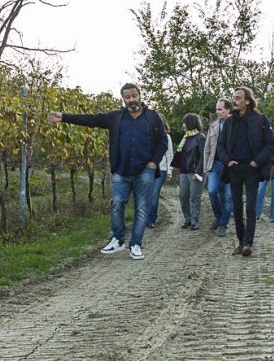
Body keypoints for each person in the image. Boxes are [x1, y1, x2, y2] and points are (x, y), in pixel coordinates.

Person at [47, 83, 167, 260]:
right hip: (121, 170)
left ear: (140, 95)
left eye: (134, 96)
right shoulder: (116, 117)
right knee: (117, 203)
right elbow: (91, 119)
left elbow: (163, 141)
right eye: (127, 97)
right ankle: (118, 240)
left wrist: (154, 162)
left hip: (145, 171)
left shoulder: (153, 117)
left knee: (142, 209)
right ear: (123, 99)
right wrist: (64, 117)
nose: (131, 100)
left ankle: (135, 244)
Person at [218, 86, 274, 257]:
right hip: (234, 169)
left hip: (252, 168)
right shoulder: (229, 122)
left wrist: (256, 162)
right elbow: (221, 145)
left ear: (247, 101)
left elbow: (270, 144)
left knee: (250, 206)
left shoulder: (260, 120)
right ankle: (241, 242)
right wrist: (228, 161)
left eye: (238, 97)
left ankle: (248, 244)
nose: (234, 100)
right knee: (237, 207)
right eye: (233, 97)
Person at [203, 98, 234, 237]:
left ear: (228, 110)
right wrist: (206, 168)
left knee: (227, 196)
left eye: (220, 109)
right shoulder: (213, 126)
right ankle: (219, 216)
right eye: (216, 109)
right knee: (211, 191)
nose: (217, 111)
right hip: (215, 165)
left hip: (231, 166)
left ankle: (223, 224)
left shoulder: (237, 124)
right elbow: (207, 148)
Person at [174, 114, 205, 229]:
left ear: (190, 123)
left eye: (184, 122)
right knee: (183, 196)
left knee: (194, 198)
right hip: (183, 171)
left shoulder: (200, 137)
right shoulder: (186, 137)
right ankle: (187, 218)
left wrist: (198, 172)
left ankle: (194, 221)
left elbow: (203, 156)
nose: (183, 125)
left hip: (194, 172)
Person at [146, 119, 173, 229]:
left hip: (161, 169)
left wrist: (169, 171)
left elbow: (169, 155)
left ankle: (151, 220)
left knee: (154, 194)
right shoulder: (146, 134)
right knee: (147, 194)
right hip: (147, 169)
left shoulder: (166, 137)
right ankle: (148, 217)